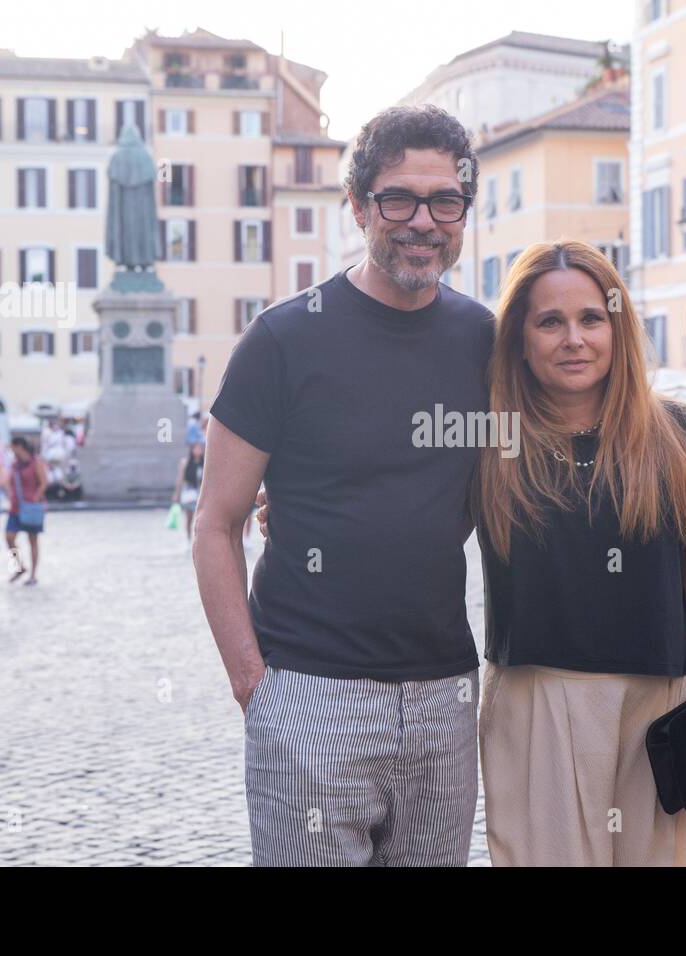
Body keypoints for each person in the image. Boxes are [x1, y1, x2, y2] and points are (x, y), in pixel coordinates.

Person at [196, 104, 490, 867]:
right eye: (398, 198)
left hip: (445, 696)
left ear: (463, 213)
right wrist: (255, 691)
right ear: (357, 206)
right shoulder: (282, 340)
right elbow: (216, 524)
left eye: (446, 200)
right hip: (309, 689)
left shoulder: (487, 342)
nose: (423, 221)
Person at [473, 241, 686, 866]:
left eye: (591, 319)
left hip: (659, 712)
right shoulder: (490, 441)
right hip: (536, 703)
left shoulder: (681, 437)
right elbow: (396, 500)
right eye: (550, 322)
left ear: (617, 327)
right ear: (520, 338)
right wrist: (303, 511)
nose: (573, 338)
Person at [5, 437, 48, 585]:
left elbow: (43, 482)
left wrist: (36, 498)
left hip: (31, 507)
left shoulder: (35, 462)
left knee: (33, 541)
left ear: (20, 447)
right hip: (16, 507)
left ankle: (33, 575)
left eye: (13, 448)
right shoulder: (15, 465)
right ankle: (18, 567)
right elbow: (9, 482)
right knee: (9, 537)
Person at [171, 441, 204, 547]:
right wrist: (177, 493)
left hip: (200, 493)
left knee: (200, 518)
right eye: (196, 448)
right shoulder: (185, 462)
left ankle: (198, 539)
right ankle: (188, 538)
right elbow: (180, 479)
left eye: (199, 448)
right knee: (189, 517)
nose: (198, 451)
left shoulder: (204, 463)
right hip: (189, 493)